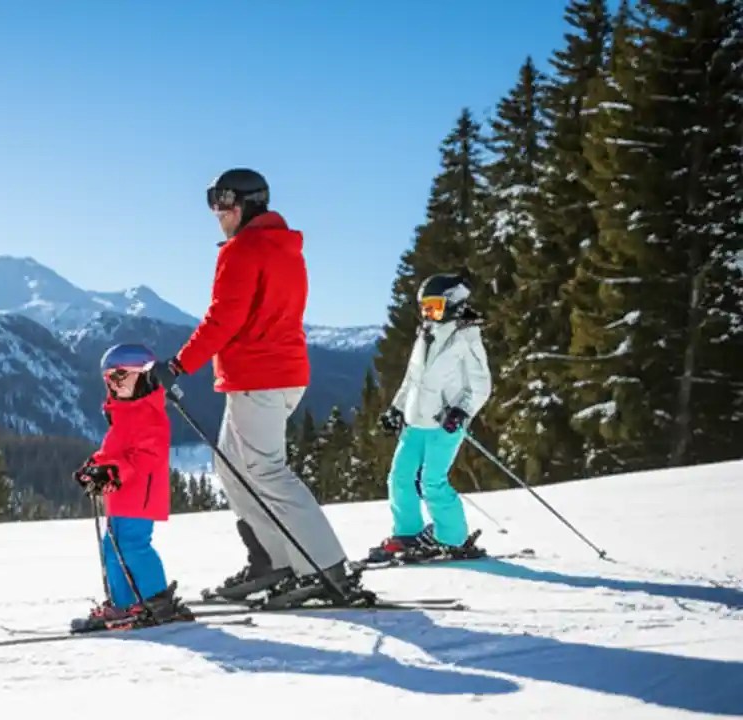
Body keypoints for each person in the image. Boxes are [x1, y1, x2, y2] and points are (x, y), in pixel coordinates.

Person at [150, 168, 363, 608]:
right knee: (232, 468)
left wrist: (178, 364)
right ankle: (274, 560)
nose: (217, 212)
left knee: (266, 471)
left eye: (224, 202)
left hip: (258, 378)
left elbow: (224, 319)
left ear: (248, 203)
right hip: (280, 375)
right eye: (213, 202)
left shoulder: (243, 250)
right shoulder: (284, 248)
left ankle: (326, 568)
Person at [72, 343, 194, 631]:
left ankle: (156, 600)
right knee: (112, 547)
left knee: (134, 546)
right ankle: (123, 604)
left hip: (141, 494)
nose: (113, 384)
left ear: (145, 375)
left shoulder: (149, 414)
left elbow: (145, 458)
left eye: (120, 375)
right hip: (121, 495)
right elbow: (113, 451)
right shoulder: (124, 412)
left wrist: (112, 471)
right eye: (109, 378)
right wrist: (95, 467)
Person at [371, 272, 492, 561]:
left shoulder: (466, 337)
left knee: (432, 481)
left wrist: (461, 411)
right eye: (425, 307)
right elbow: (412, 379)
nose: (428, 313)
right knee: (399, 477)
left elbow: (481, 385)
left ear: (454, 303)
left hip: (444, 424)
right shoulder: (426, 333)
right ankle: (407, 533)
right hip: (415, 420)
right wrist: (397, 409)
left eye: (434, 306)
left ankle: (453, 537)